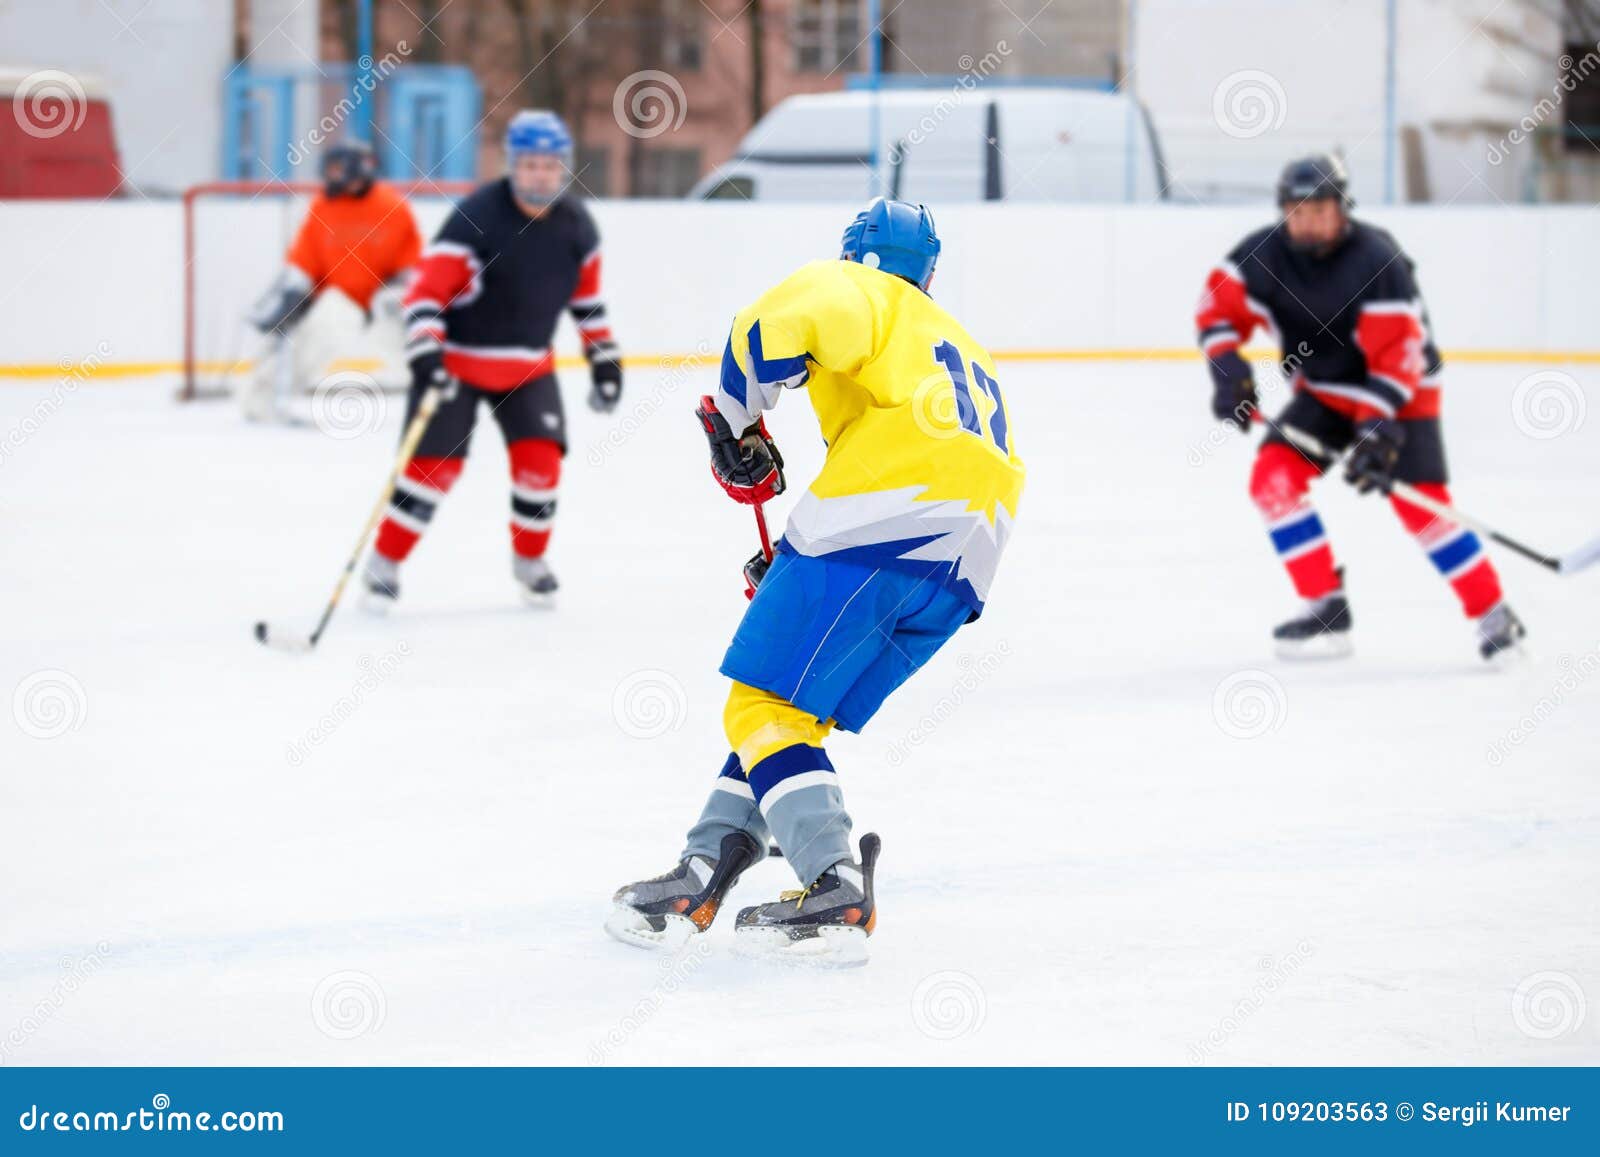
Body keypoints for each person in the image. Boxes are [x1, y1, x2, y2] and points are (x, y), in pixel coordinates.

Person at [605, 198, 1026, 964]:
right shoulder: (957, 341)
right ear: (929, 271)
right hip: (967, 557)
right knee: (789, 709)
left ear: (854, 252)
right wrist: (809, 564)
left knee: (758, 702)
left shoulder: (867, 291)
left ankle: (832, 881)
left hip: (890, 519)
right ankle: (706, 865)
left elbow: (772, 322)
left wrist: (735, 421)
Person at [1196, 153, 1526, 662]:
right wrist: (1227, 371)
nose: (1305, 221)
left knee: (1420, 504)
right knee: (1273, 479)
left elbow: (1398, 357)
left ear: (1343, 208)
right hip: (1324, 391)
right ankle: (1324, 608)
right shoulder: (1262, 255)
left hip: (1403, 391)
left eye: (1318, 208)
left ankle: (1494, 614)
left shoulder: (1377, 259)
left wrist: (1376, 428)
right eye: (1295, 210)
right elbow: (1216, 308)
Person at [363, 110, 623, 604]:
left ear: (564, 168)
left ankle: (530, 562)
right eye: (529, 164)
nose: (539, 174)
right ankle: (383, 564)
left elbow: (587, 303)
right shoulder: (476, 218)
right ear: (511, 166)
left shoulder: (577, 228)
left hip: (527, 367)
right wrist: (426, 356)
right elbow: (424, 296)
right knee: (433, 473)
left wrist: (605, 360)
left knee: (541, 466)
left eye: (549, 165)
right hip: (455, 366)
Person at [244, 142, 421, 422]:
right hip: (338, 300)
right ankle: (262, 404)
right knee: (301, 334)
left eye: (338, 169)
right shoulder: (323, 206)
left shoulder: (392, 208)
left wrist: (397, 294)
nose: (332, 177)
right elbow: (305, 258)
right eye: (329, 170)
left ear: (360, 169)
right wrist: (294, 292)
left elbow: (410, 265)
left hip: (381, 301)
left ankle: (439, 399)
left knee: (424, 335)